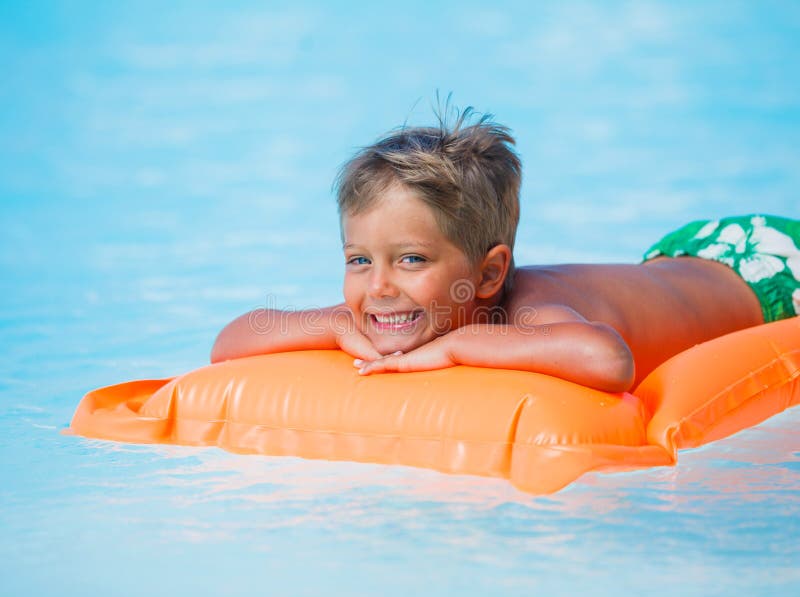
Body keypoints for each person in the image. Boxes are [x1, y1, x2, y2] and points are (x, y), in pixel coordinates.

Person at [211, 107, 799, 392]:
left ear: (488, 274)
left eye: (411, 259)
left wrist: (461, 345)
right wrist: (335, 324)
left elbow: (608, 360)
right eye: (358, 260)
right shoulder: (386, 300)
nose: (379, 287)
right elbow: (232, 340)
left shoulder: (526, 313)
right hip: (681, 256)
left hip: (772, 273)